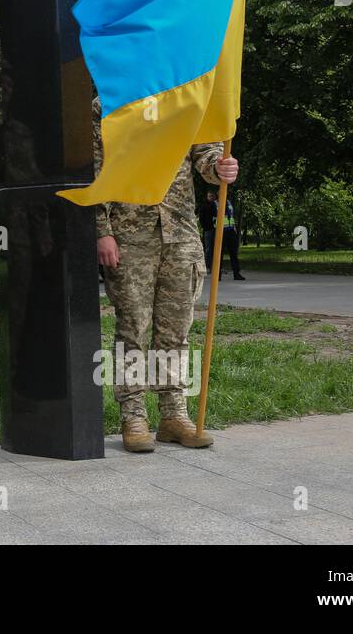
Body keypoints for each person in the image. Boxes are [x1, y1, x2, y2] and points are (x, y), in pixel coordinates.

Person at [92, 98, 239, 452]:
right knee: (134, 329)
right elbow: (95, 167)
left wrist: (220, 168)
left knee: (176, 331)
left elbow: (205, 156)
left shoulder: (190, 97)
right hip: (130, 235)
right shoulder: (111, 99)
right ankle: (134, 416)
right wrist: (101, 229)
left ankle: (174, 414)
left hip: (181, 234)